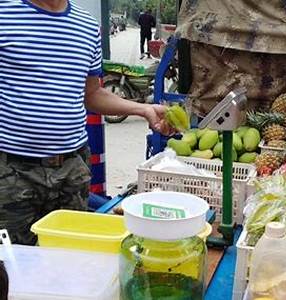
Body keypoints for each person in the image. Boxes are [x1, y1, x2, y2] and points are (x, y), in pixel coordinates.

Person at [0, 0, 173, 245]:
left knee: (72, 256)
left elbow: (92, 94)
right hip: (12, 170)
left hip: (71, 169)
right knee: (13, 264)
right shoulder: (5, 13)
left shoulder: (87, 27)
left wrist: (143, 109)